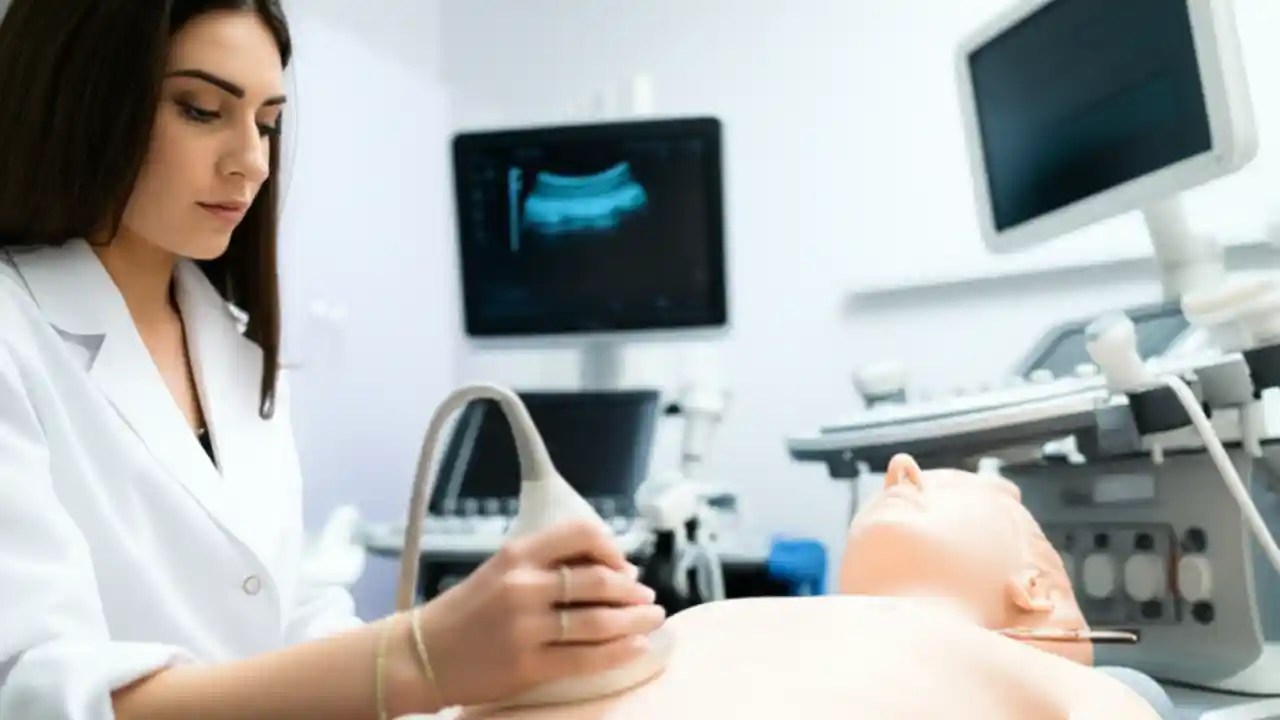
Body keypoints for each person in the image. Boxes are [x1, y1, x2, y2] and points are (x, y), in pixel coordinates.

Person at [0, 2, 664, 718]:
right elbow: (42, 695)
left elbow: (290, 609)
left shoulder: (231, 344)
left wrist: (453, 679)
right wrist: (419, 660)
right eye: (200, 110)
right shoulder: (15, 335)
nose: (252, 162)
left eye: (266, 123)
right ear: (80, 96)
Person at [451, 455, 1161, 719]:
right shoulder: (726, 617)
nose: (902, 466)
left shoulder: (1025, 670)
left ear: (1034, 590)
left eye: (946, 486)